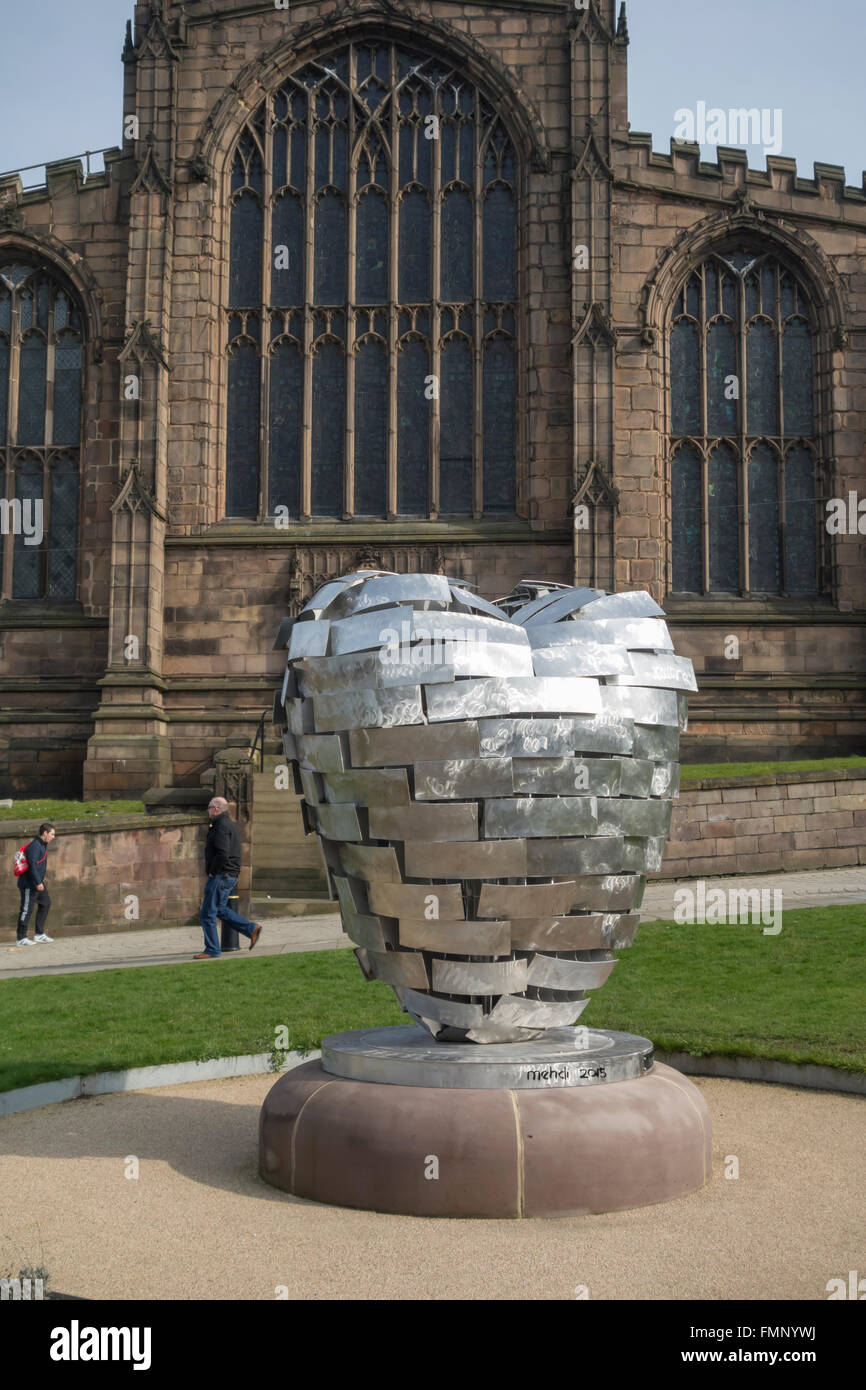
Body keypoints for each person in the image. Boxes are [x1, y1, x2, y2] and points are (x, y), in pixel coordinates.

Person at [195, 796, 262, 959]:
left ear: (216, 809)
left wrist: (213, 872)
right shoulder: (224, 824)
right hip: (226, 874)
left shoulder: (221, 826)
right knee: (219, 909)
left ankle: (212, 949)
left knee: (208, 913)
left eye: (209, 807)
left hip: (221, 875)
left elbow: (223, 853)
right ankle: (251, 929)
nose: (208, 810)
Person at [16, 822, 56, 945]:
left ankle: (39, 934)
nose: (53, 837)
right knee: (26, 909)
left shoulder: (42, 845)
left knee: (45, 903)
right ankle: (21, 938)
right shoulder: (34, 846)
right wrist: (38, 882)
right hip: (29, 884)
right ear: (45, 833)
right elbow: (32, 865)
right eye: (52, 834)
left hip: (37, 883)